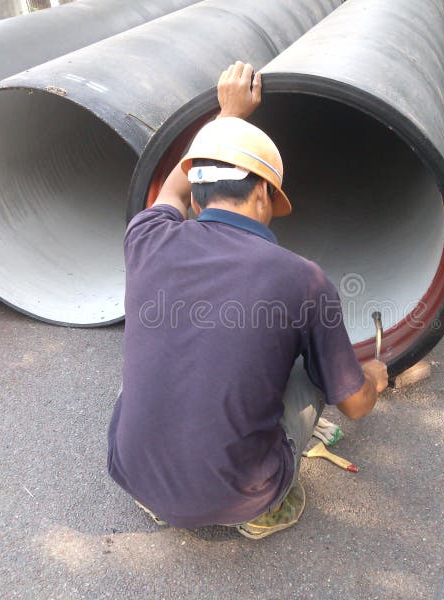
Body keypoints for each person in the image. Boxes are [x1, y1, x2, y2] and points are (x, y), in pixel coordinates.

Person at [108, 61, 389, 539]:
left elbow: (177, 182)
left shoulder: (148, 238)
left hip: (132, 476)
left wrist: (227, 115)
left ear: (197, 198)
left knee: (155, 372)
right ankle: (262, 512)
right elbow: (355, 405)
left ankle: (164, 498)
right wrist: (373, 379)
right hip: (240, 494)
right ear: (264, 192)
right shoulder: (303, 280)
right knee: (316, 371)